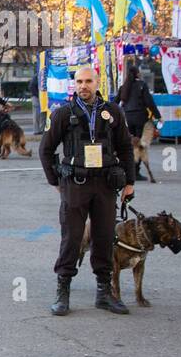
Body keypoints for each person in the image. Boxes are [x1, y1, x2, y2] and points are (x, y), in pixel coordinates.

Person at [40, 66, 135, 316]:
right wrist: (55, 181)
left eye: (88, 81)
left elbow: (125, 148)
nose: (84, 86)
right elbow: (46, 149)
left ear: (97, 81)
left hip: (105, 184)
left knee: (104, 238)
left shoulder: (113, 112)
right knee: (72, 238)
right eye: (79, 81)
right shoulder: (63, 114)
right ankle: (63, 293)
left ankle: (104, 293)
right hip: (75, 185)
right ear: (75, 84)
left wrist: (130, 183)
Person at [117, 63, 160, 181]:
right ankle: (136, 171)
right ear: (137, 74)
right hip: (141, 118)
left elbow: (115, 103)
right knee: (140, 145)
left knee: (130, 145)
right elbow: (149, 102)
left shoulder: (123, 87)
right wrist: (158, 116)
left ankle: (129, 170)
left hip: (128, 119)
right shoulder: (142, 85)